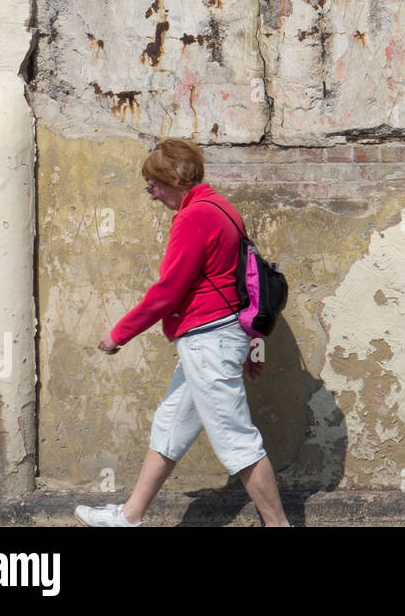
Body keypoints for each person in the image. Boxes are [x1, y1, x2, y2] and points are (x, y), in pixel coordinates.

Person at [74, 138, 290, 527]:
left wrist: (119, 334)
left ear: (174, 177)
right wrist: (249, 341)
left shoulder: (193, 218)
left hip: (209, 340)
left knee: (236, 440)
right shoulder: (222, 208)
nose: (152, 196)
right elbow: (244, 281)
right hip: (215, 337)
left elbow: (168, 291)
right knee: (171, 425)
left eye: (153, 186)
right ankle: (129, 515)